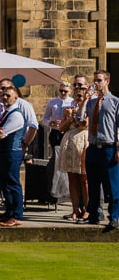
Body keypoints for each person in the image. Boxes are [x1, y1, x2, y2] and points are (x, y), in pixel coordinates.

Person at [0, 78, 38, 227]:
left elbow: (0, 134)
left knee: (13, 183)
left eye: (7, 94)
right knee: (4, 183)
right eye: (1, 93)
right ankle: (9, 212)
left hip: (12, 151)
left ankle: (17, 215)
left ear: (15, 96)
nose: (3, 96)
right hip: (2, 151)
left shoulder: (16, 114)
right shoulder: (3, 111)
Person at [84, 70, 119, 233]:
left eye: (99, 80)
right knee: (93, 183)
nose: (96, 83)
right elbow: (79, 118)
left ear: (107, 81)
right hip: (93, 148)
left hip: (108, 148)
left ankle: (114, 217)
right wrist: (85, 100)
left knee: (111, 185)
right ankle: (94, 214)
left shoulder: (115, 102)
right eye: (95, 80)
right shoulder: (91, 103)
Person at [56, 80, 90, 222]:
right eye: (76, 97)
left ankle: (88, 209)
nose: (78, 99)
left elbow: (85, 124)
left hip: (83, 141)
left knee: (84, 178)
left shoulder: (89, 109)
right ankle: (75, 208)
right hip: (69, 142)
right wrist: (70, 117)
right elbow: (61, 128)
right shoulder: (68, 110)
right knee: (72, 179)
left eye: (80, 97)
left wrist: (78, 116)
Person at [43, 81, 74, 157]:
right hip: (55, 131)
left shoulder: (73, 102)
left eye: (65, 91)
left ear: (70, 91)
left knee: (66, 156)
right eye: (61, 91)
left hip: (67, 132)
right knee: (56, 155)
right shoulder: (52, 102)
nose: (63, 93)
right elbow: (45, 118)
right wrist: (51, 122)